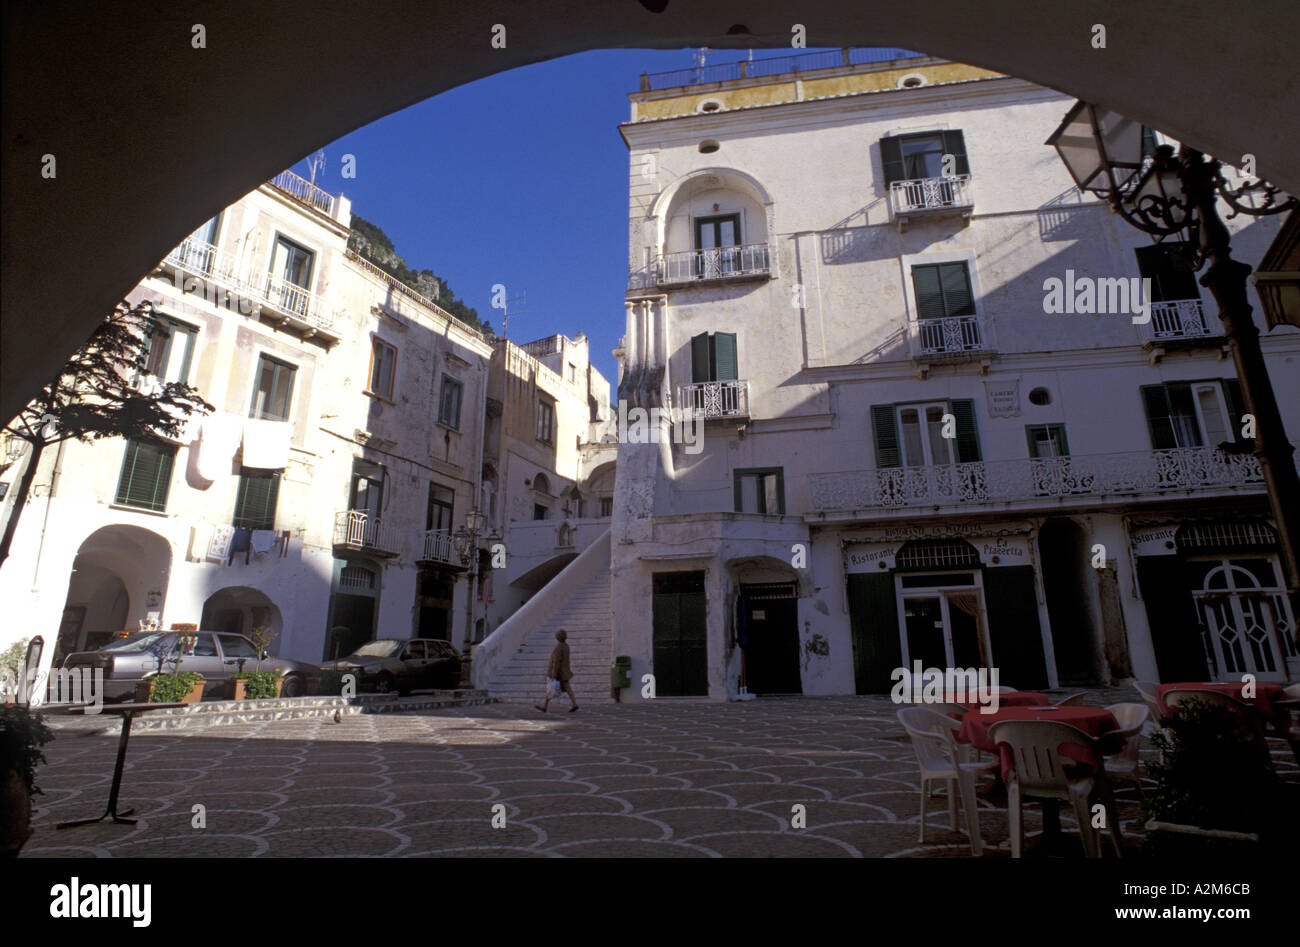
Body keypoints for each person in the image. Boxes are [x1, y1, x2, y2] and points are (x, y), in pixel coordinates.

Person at [536, 628, 578, 713]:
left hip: (559, 672)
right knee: (568, 688)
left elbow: (556, 661)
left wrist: (553, 674)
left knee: (550, 688)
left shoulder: (558, 647)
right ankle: (574, 703)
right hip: (565, 671)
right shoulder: (566, 646)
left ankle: (545, 706)